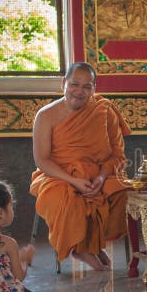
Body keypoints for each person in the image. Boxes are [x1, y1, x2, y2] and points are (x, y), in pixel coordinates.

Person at [30, 62, 132, 271]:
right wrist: (73, 180)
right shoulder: (46, 115)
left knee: (122, 192)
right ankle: (79, 249)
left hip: (98, 175)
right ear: (63, 84)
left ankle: (92, 243)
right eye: (74, 84)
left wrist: (102, 177)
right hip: (56, 176)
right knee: (63, 199)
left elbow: (117, 155)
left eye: (87, 87)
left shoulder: (103, 111)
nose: (80, 91)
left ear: (94, 88)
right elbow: (42, 160)